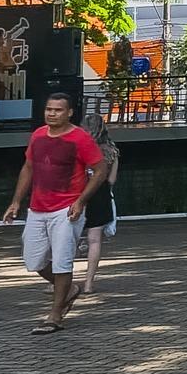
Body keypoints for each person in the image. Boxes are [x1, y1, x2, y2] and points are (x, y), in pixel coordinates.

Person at [0, 90, 106, 335]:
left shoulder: (80, 138)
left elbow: (99, 170)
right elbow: (28, 168)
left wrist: (81, 201)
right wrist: (16, 202)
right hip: (37, 208)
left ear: (69, 113)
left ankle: (55, 315)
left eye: (58, 110)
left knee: (62, 262)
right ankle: (68, 290)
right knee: (34, 260)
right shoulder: (37, 135)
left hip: (66, 209)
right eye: (49, 109)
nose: (52, 113)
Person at [76, 113, 119, 296]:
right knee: (95, 241)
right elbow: (111, 180)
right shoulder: (111, 151)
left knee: (67, 240)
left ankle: (57, 283)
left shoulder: (78, 148)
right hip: (100, 196)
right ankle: (88, 284)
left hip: (78, 194)